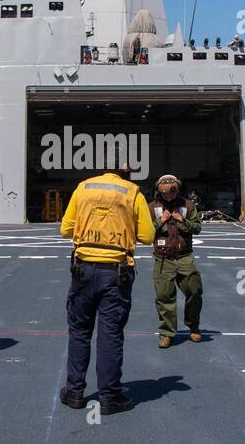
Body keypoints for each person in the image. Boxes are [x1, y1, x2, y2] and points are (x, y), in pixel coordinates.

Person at [59, 153, 155, 414]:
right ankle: (110, 397)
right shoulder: (133, 192)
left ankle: (75, 391)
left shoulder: (84, 187)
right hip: (117, 272)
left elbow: (66, 229)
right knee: (110, 334)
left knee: (79, 331)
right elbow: (147, 235)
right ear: (126, 173)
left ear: (103, 170)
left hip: (83, 268)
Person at [148, 174, 203, 348]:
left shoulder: (188, 206)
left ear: (177, 189)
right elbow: (145, 232)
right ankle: (166, 333)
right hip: (162, 258)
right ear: (159, 192)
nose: (168, 197)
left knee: (194, 290)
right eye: (165, 195)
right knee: (164, 297)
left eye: (171, 194)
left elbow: (198, 228)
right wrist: (160, 221)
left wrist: (182, 220)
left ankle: (193, 326)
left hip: (184, 257)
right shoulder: (151, 207)